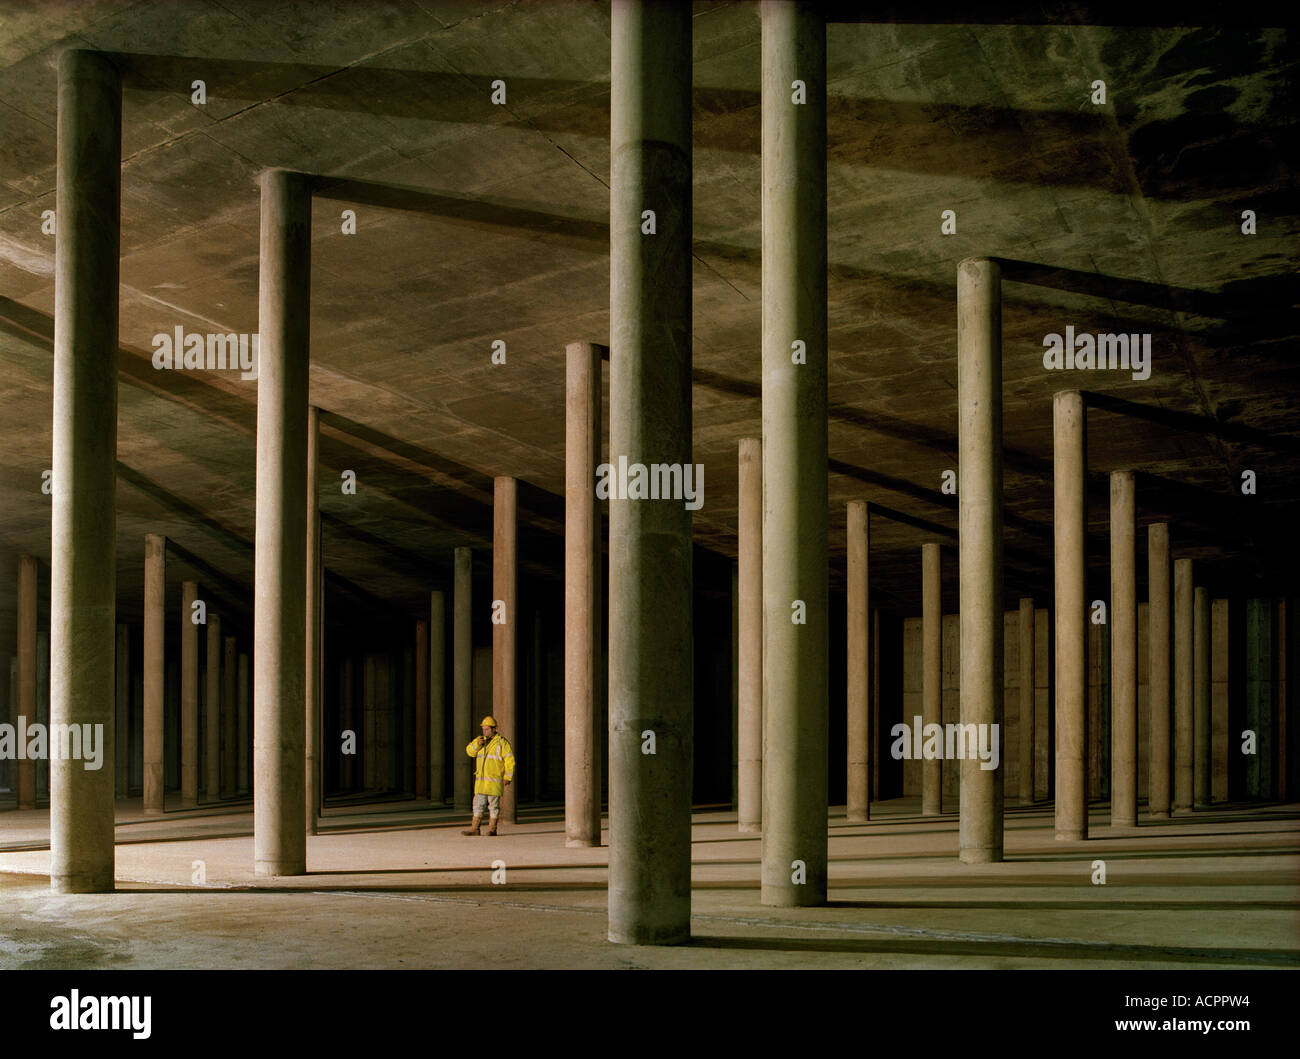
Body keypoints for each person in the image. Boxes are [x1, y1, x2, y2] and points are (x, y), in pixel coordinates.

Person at [461, 716, 515, 836]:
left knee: (493, 807)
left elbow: (510, 761)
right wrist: (477, 744)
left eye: (487, 729)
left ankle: (492, 829)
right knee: (478, 805)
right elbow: (469, 751)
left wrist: (508, 777)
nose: (484, 731)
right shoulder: (480, 741)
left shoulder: (502, 743)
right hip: (481, 783)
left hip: (494, 782)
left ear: (494, 729)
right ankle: (475, 828)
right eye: (483, 729)